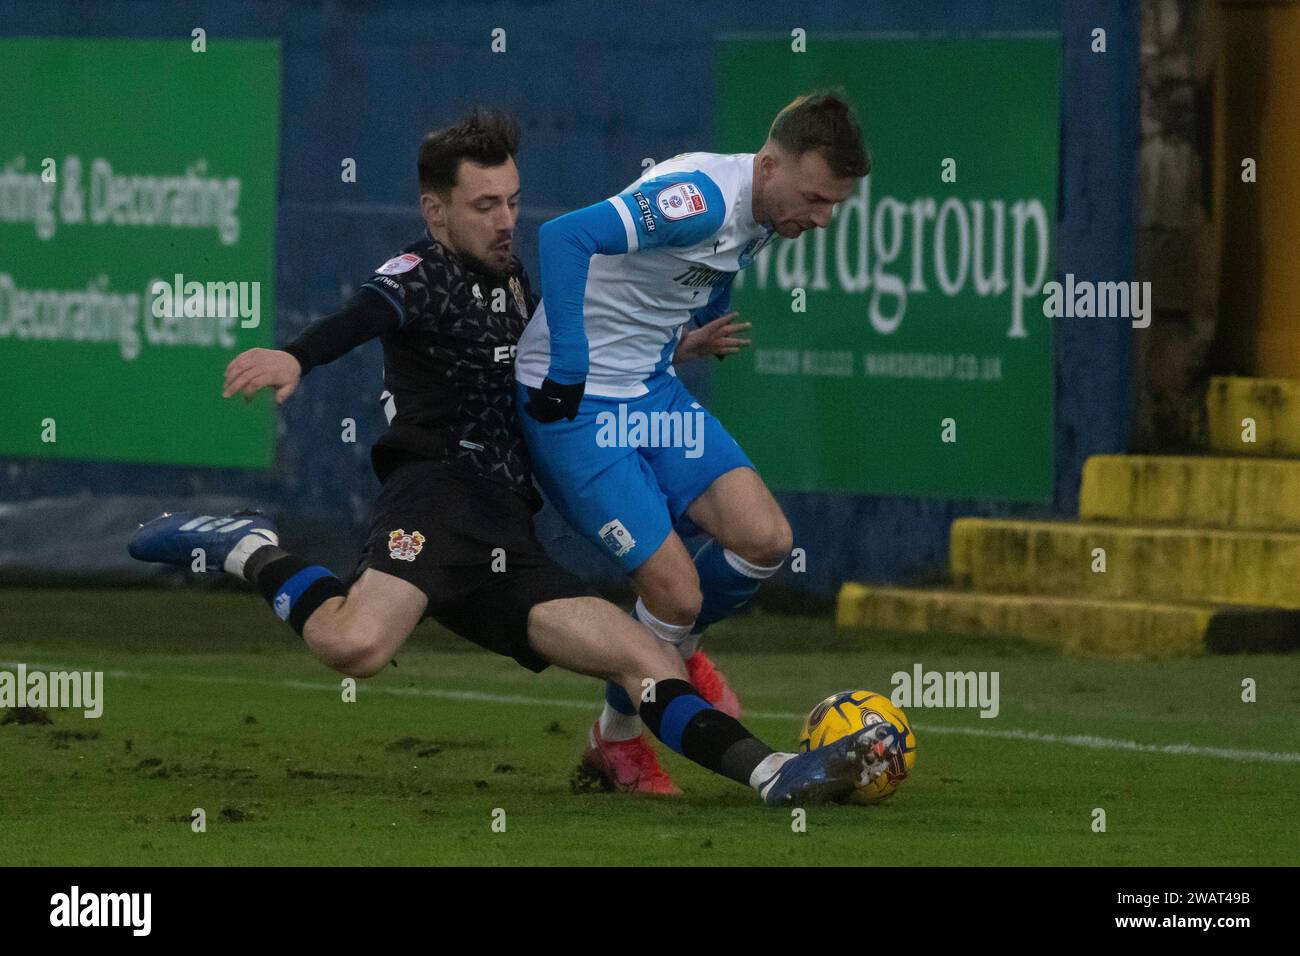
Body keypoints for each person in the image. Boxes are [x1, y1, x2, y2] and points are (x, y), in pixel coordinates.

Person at [128, 107, 895, 805]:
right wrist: (296, 358)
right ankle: (248, 548)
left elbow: (608, 310)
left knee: (647, 651)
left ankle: (775, 775)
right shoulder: (418, 276)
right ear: (436, 210)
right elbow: (362, 315)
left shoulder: (516, 280)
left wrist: (674, 342)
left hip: (506, 524)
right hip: (434, 502)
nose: (507, 222)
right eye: (485, 206)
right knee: (355, 645)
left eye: (513, 202)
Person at [515, 92, 871, 792]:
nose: (822, 218)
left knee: (765, 538)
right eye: (814, 198)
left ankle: (675, 651)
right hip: (576, 405)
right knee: (674, 596)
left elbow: (712, 269)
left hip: (651, 389)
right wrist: (568, 366)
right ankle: (621, 738)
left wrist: (692, 332)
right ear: (769, 165)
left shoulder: (766, 211)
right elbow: (563, 238)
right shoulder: (698, 199)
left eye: (834, 205)